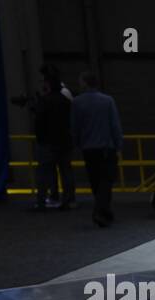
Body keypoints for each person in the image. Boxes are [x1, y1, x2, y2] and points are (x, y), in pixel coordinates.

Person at [70, 71, 122, 226]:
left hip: (88, 148)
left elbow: (74, 127)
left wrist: (78, 144)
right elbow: (115, 125)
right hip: (107, 148)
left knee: (95, 181)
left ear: (85, 83)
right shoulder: (108, 101)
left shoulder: (77, 102)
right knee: (106, 181)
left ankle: (103, 211)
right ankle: (102, 211)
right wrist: (119, 145)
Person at [34, 65, 75, 210]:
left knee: (44, 173)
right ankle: (69, 200)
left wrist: (40, 138)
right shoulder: (65, 101)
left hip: (47, 142)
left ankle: (41, 201)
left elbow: (39, 122)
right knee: (66, 171)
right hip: (64, 141)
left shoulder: (44, 101)